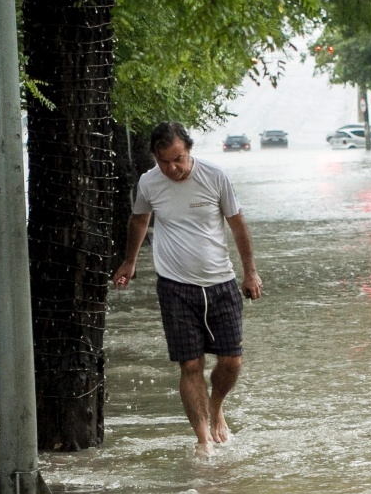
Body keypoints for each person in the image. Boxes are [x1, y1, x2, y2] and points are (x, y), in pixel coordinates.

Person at [113, 121, 264, 453]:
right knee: (191, 364)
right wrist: (130, 261)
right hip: (175, 287)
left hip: (221, 283)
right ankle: (203, 439)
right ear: (154, 157)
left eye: (178, 159)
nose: (172, 168)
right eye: (164, 161)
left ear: (189, 151)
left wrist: (250, 271)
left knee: (231, 361)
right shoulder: (149, 182)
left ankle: (217, 406)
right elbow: (140, 219)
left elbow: (237, 224)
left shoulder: (214, 177)